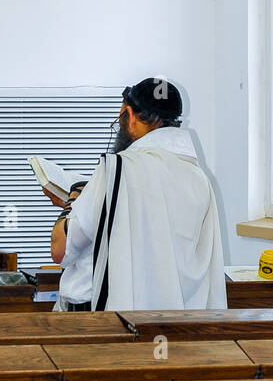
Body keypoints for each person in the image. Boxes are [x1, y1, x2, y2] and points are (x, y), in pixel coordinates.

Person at [48, 78, 226, 312]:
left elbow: (59, 248)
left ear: (130, 115)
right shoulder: (199, 179)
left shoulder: (117, 171)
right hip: (176, 321)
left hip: (103, 320)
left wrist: (74, 197)